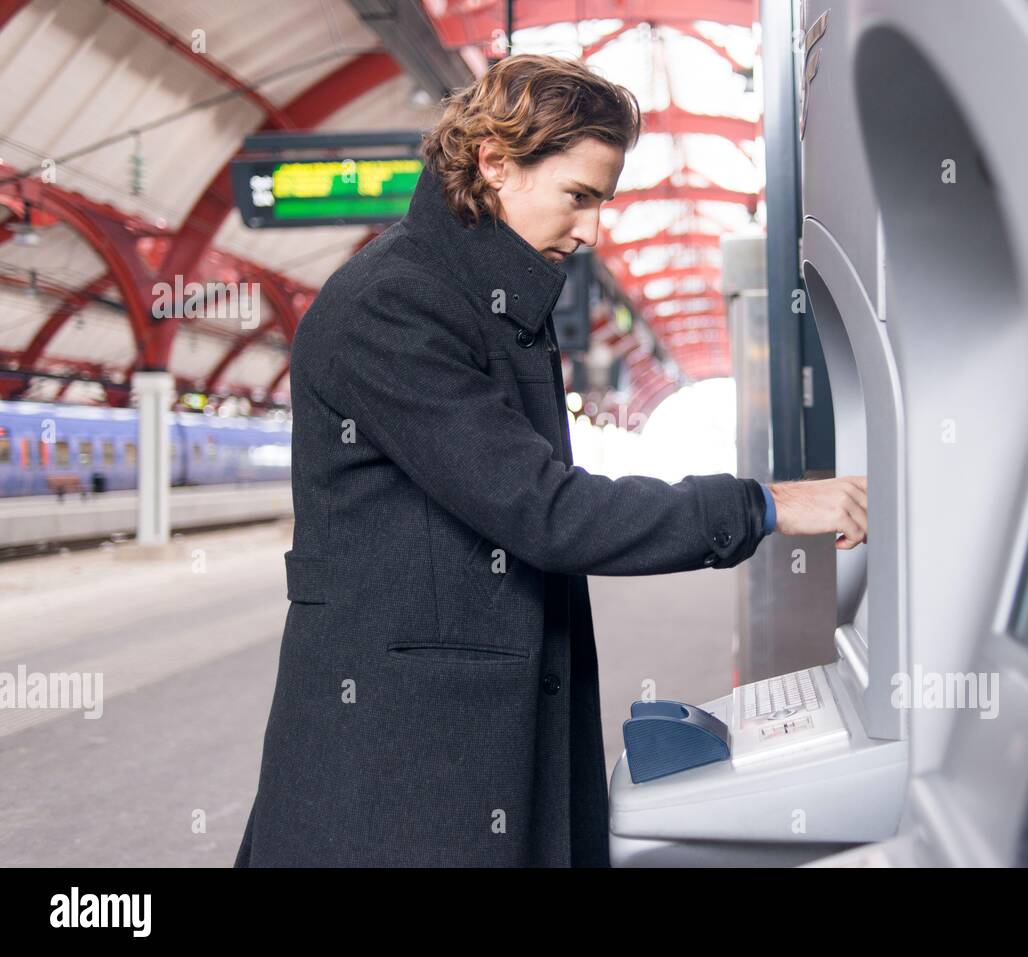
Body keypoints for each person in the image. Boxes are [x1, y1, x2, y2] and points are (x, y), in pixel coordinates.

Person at [234, 53, 867, 868]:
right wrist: (766, 505)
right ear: (495, 163)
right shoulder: (391, 307)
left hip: (463, 738)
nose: (593, 230)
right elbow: (548, 511)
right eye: (579, 196)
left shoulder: (490, 295)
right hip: (402, 761)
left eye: (602, 201)